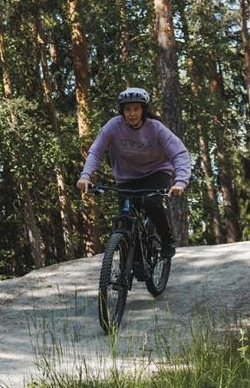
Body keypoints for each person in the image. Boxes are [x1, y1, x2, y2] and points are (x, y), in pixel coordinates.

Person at [76, 87, 191, 259]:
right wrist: (85, 176)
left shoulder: (156, 128)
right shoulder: (113, 126)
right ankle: (133, 263)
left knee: (151, 203)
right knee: (125, 218)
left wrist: (180, 181)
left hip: (156, 172)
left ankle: (167, 240)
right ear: (121, 111)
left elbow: (179, 153)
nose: (132, 113)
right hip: (126, 177)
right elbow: (96, 152)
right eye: (127, 109)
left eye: (136, 108)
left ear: (143, 110)